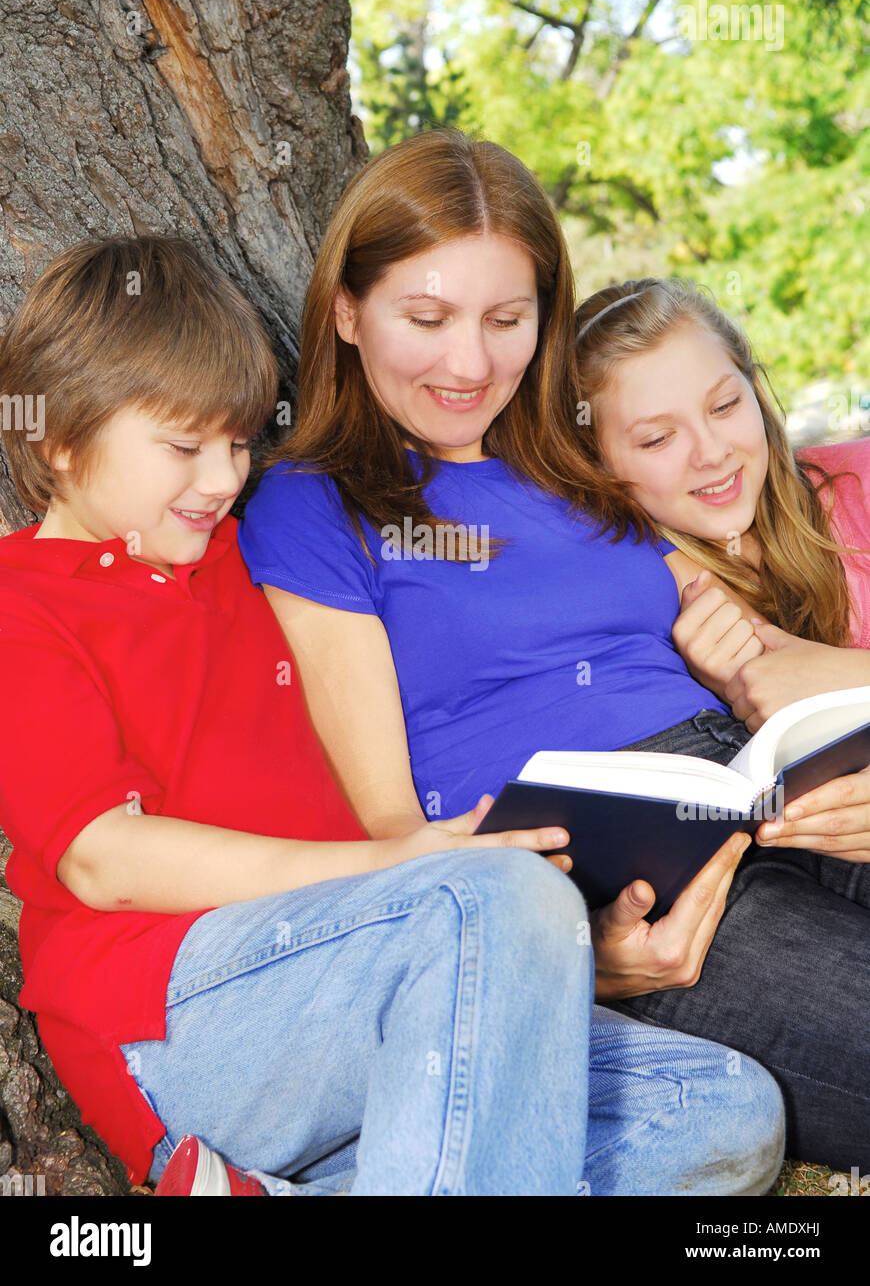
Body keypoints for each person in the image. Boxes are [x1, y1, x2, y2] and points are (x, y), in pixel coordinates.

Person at [0, 235, 784, 1199]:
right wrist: (397, 865)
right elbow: (100, 859)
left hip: (377, 998)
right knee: (491, 893)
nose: (221, 477)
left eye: (240, 441)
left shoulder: (253, 558)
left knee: (724, 1107)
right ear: (58, 438)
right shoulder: (21, 604)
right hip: (172, 1015)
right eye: (183, 446)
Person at [236, 128, 866, 1169]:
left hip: (751, 792)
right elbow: (392, 824)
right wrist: (573, 956)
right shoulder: (314, 506)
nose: (469, 362)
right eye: (427, 318)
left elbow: (761, 659)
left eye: (506, 319)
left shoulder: (575, 472)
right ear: (346, 311)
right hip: (615, 878)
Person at [568, 275, 870, 1161]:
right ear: (596, 468)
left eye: (725, 404)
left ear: (756, 387)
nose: (711, 455)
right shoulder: (634, 599)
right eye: (658, 438)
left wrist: (832, 672)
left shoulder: (852, 491)